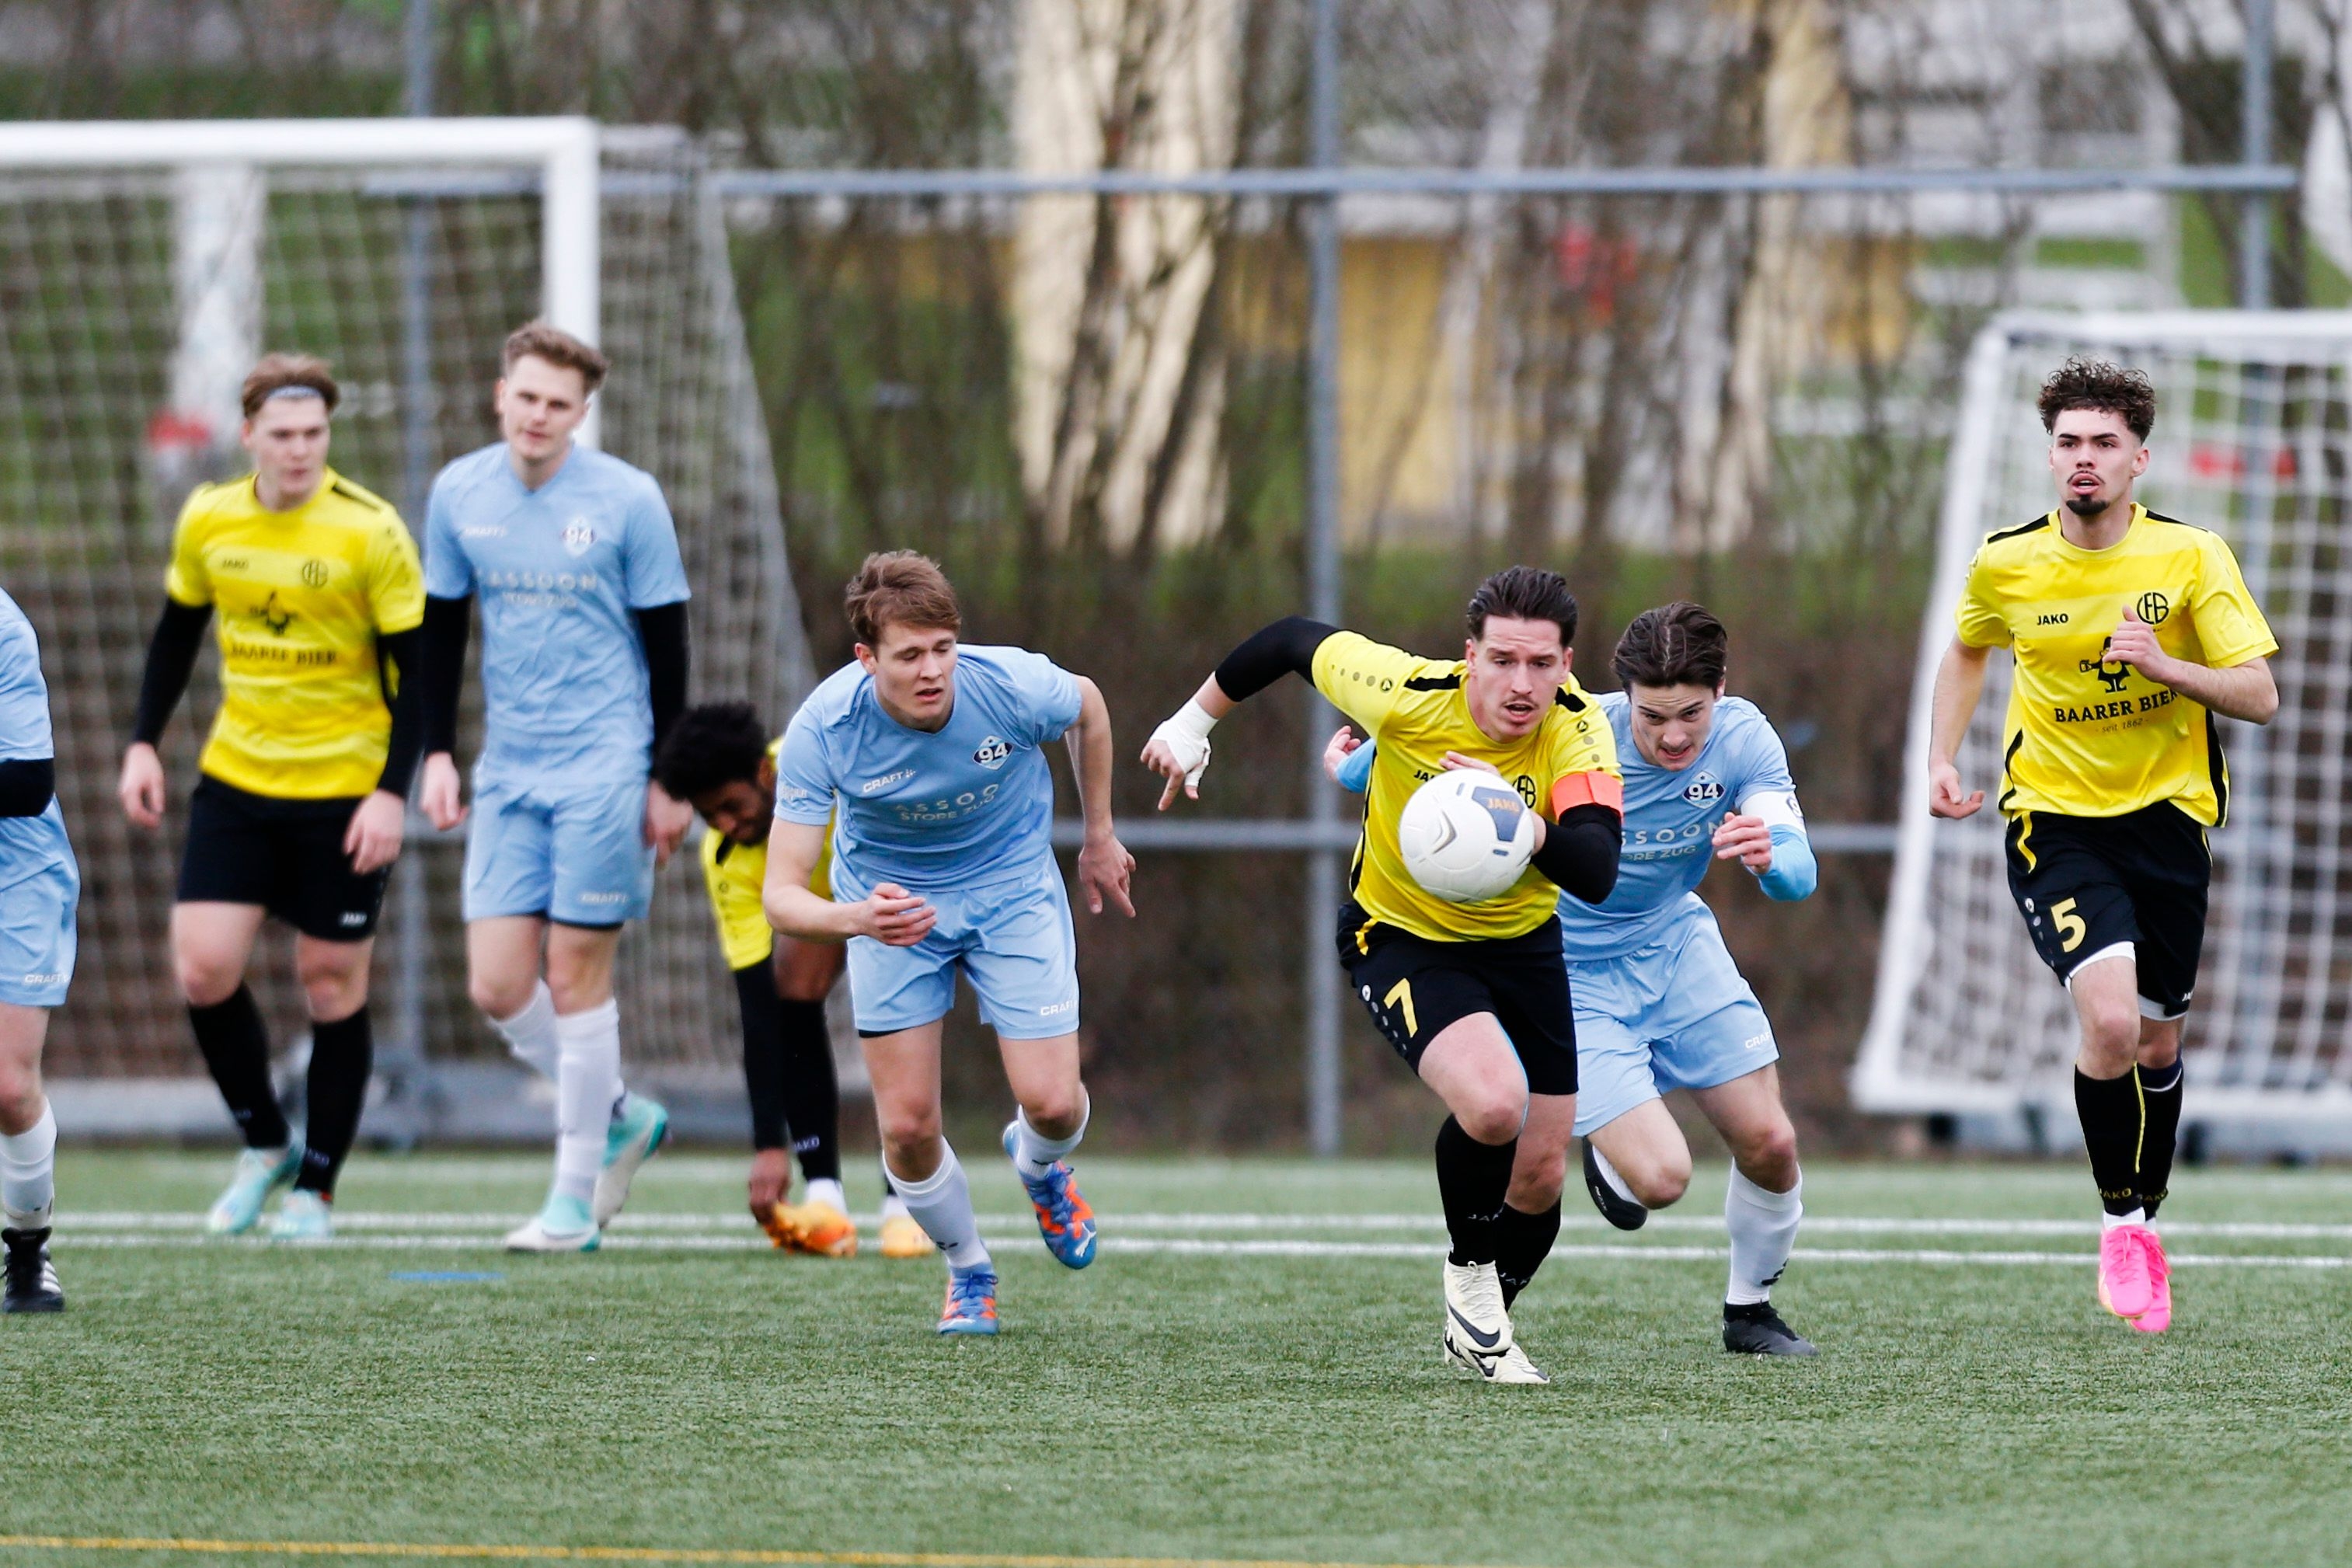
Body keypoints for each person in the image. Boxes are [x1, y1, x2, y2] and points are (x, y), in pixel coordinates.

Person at [1144, 566, 1622, 1384]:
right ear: (1469, 655)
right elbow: (1293, 638)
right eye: (1502, 659)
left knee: (1542, 1171)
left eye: (1542, 664)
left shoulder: (1577, 731)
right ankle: (1469, 1274)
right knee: (1494, 1101)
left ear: (1567, 663)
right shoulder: (1405, 690)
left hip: (1523, 940)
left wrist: (1516, 820)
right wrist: (1194, 723)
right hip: (1398, 934)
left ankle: (1483, 1317)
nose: (1521, 683)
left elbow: (1597, 867)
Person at [1329, 602, 1818, 1355]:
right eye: (1655, 716)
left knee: (1772, 1140)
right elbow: (1421, 754)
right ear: (1625, 698)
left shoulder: (1747, 738)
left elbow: (1796, 871)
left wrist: (1772, 859)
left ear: (1721, 690)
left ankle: (1749, 1310)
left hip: (1677, 943)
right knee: (1661, 1178)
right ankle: (1606, 1151)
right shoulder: (1577, 728)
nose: (1675, 734)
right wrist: (1353, 766)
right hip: (1570, 967)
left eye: (1692, 713)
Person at [1928, 357, 2278, 1335]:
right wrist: (1940, 759)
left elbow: (2259, 695)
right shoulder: (2007, 560)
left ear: (2139, 459)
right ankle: (2118, 1220)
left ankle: (2147, 1214)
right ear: (2052, 457)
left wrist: (2166, 664)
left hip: (2168, 824)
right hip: (2054, 820)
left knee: (2161, 1042)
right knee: (2114, 1025)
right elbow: (1967, 647)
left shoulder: (2192, 557)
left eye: (2104, 444)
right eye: (2069, 444)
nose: (2085, 460)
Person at [762, 552, 1134, 1334]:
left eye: (942, 648)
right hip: (893, 912)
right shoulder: (824, 729)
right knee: (906, 1126)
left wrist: (1099, 835)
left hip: (1011, 890)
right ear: (867, 659)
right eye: (908, 655)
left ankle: (1038, 1163)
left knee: (1057, 1103)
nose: (932, 670)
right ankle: (969, 1269)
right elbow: (782, 897)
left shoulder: (1009, 684)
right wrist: (859, 917)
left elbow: (1089, 709)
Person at [117, 354, 423, 1241]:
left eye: (314, 435)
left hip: (345, 792)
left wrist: (390, 792)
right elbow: (176, 636)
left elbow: (422, 675)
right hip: (239, 781)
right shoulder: (210, 517)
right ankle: (265, 1143)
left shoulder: (370, 531)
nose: (298, 451)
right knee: (204, 966)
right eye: (282, 435)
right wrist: (143, 741)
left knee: (329, 982)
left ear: (328, 437)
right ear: (248, 435)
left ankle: (316, 1189)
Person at [417, 322, 693, 1253]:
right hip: (510, 767)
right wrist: (438, 752)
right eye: (526, 396)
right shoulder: (459, 492)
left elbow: (669, 652)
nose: (539, 415)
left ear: (582, 413)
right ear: (502, 393)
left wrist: (669, 777)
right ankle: (618, 1112)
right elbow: (440, 635)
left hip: (609, 765)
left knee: (576, 973)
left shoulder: (628, 500)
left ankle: (574, 1198)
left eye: (559, 403)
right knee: (497, 984)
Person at [652, 700, 927, 1260]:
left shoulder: (824, 762)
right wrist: (766, 1144)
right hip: (827, 902)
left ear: (764, 773)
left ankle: (908, 1200)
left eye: (731, 806)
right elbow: (755, 1009)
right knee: (789, 997)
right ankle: (825, 1198)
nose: (727, 825)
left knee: (896, 1003)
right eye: (711, 817)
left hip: (903, 878)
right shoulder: (727, 859)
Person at [0, 586, 77, 1309]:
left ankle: (28, 1249)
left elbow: (27, 782)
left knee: (9, 1087)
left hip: (14, 872)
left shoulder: (4, 627)